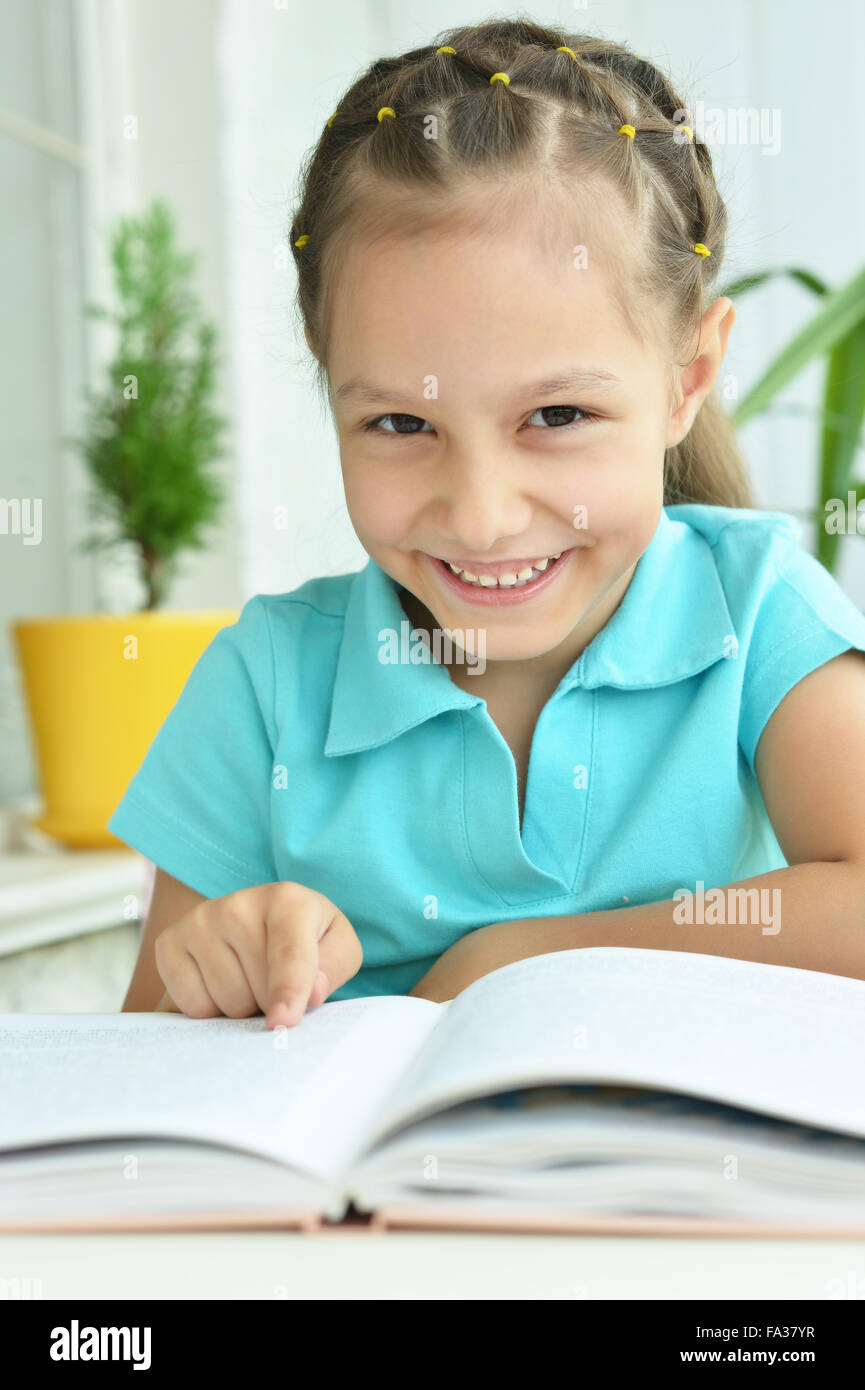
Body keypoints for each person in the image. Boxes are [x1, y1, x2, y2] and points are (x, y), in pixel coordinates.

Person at [110, 19, 865, 1029]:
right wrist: (225, 967)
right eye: (399, 422)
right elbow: (146, 1061)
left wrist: (510, 959)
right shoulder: (264, 686)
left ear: (687, 377)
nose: (480, 513)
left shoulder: (762, 610)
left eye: (555, 417)